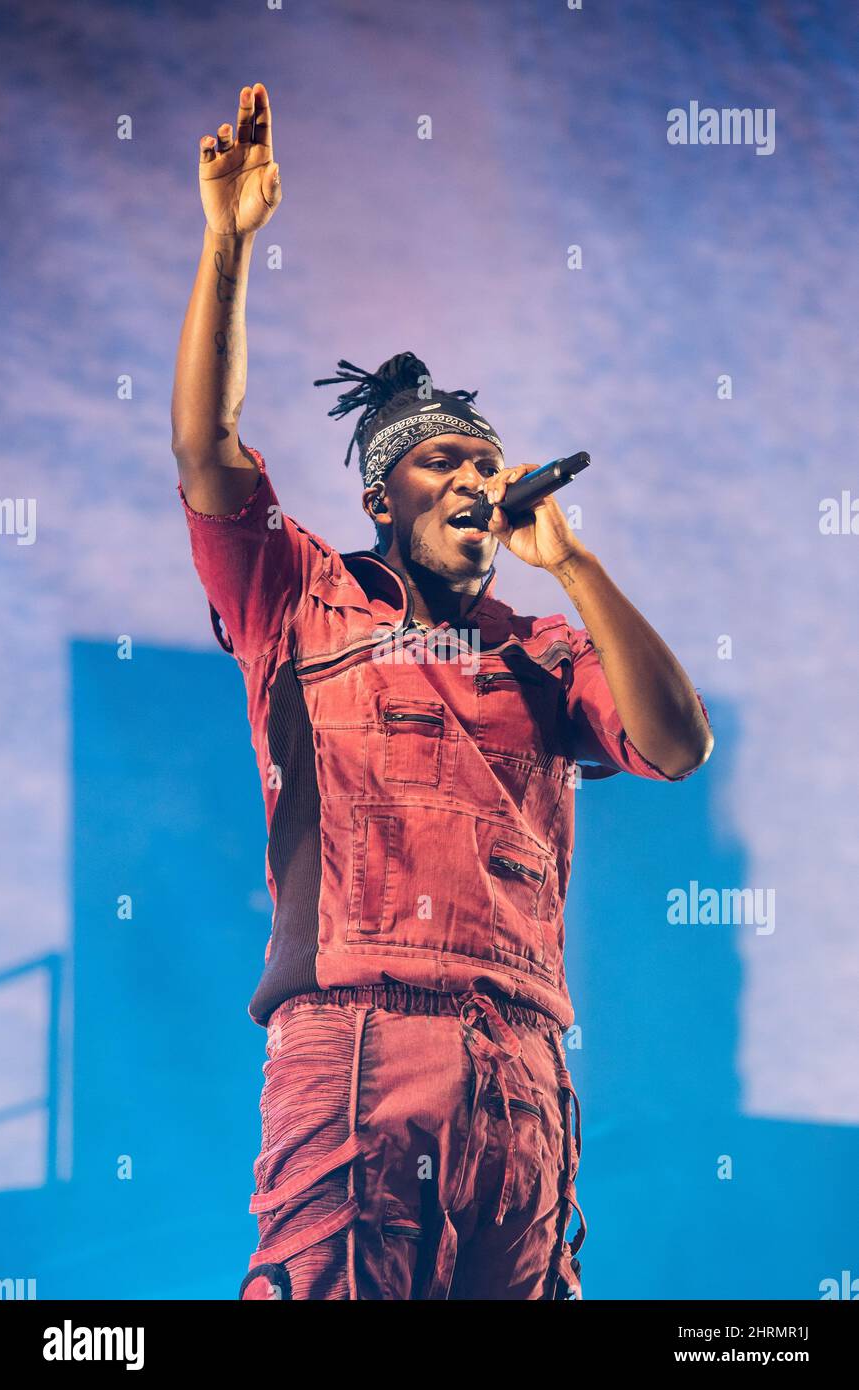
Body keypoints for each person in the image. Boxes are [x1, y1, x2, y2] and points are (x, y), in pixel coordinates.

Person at [171, 83, 714, 1302]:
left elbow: (676, 743)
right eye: (444, 460)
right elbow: (208, 451)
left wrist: (571, 563)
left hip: (523, 1067)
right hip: (361, 1041)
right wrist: (229, 240)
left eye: (487, 460)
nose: (477, 476)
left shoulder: (543, 647)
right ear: (382, 494)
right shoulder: (303, 598)